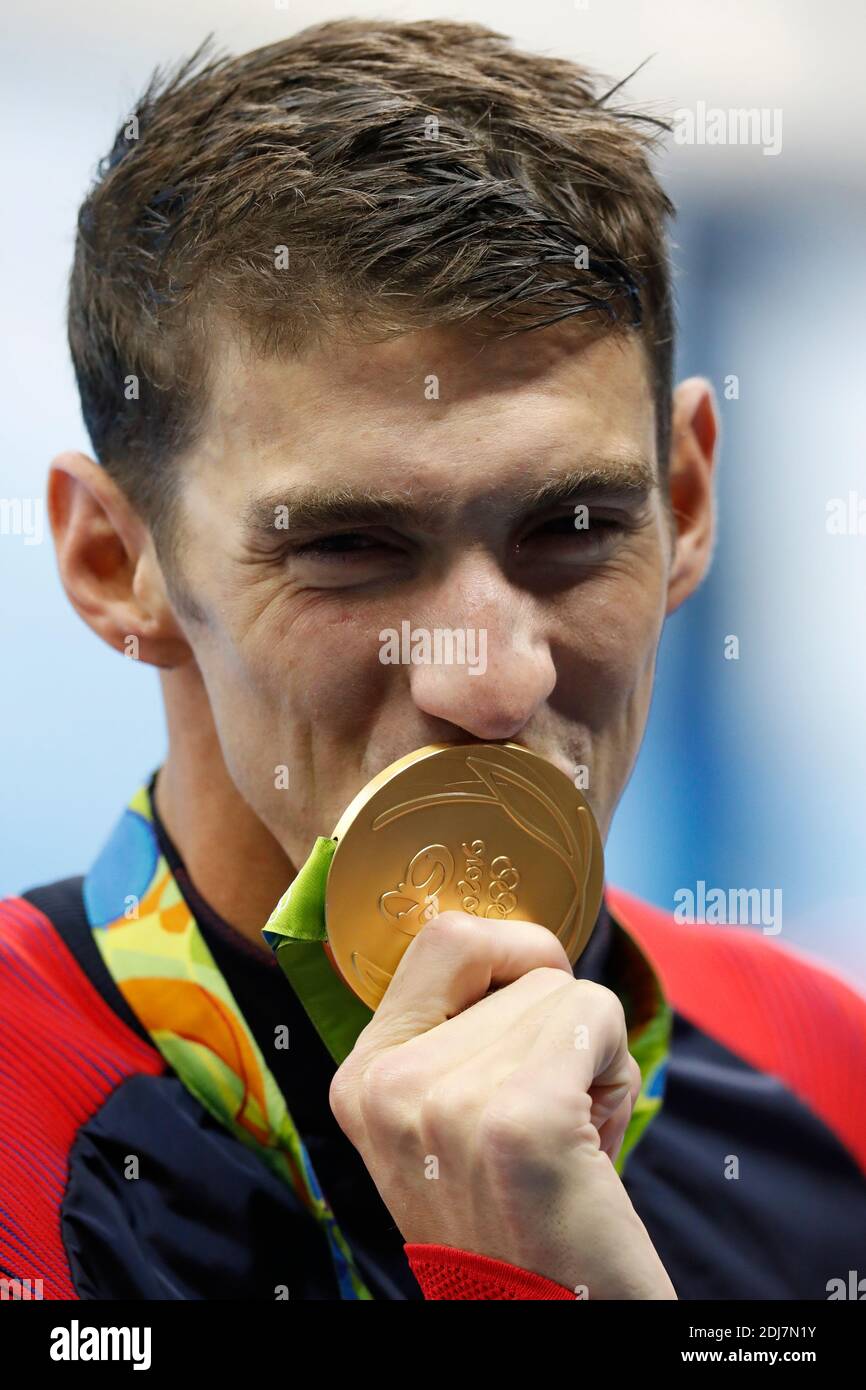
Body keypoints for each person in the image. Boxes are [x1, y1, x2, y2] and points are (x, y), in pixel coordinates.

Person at [1, 18, 863, 1302]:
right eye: (348, 547)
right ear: (113, 565)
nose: (491, 678)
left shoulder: (830, 1074)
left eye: (572, 529)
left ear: (684, 501)